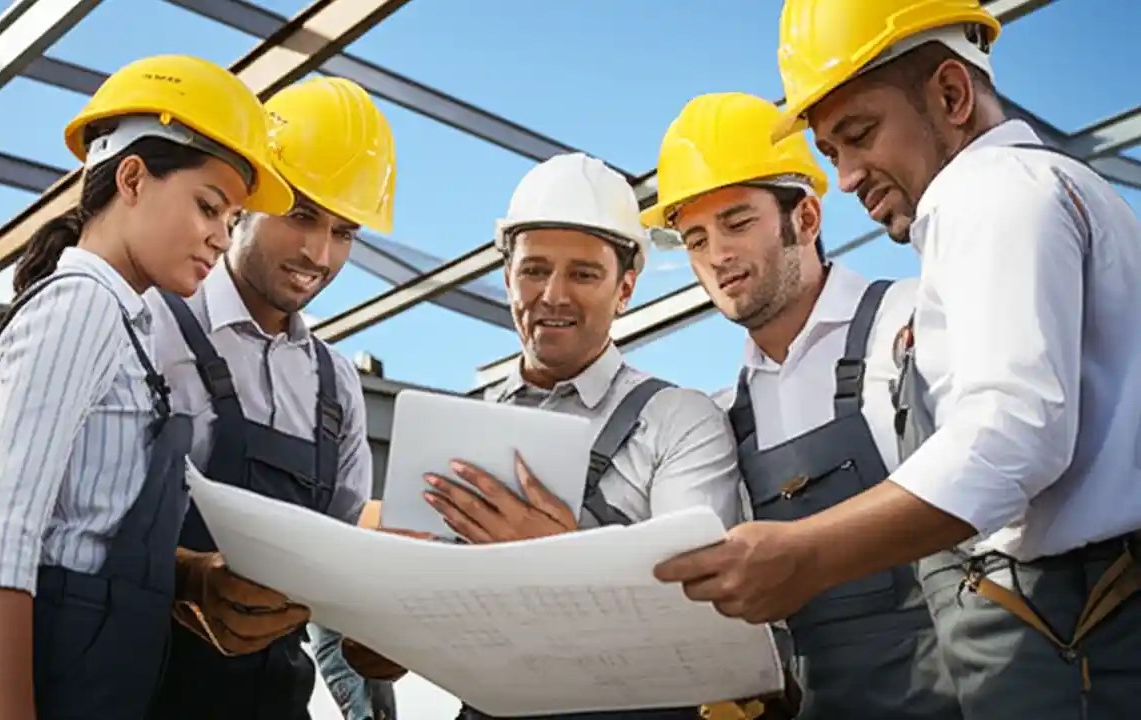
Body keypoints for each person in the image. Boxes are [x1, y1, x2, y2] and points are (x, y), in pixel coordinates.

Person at [653, 2, 1141, 718]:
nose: (846, 177)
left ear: (951, 94)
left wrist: (807, 554)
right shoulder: (1019, 198)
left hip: (1080, 637)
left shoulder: (992, 192)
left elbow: (1011, 437)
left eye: (859, 135)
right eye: (830, 153)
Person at [0, 53, 295, 720]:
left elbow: (79, 524)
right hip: (40, 684)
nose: (219, 238)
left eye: (232, 221)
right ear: (133, 177)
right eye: (209, 206)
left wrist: (181, 574)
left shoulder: (129, 324)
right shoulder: (82, 304)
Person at [643, 90, 960, 719]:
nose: (717, 257)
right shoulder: (728, 414)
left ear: (807, 219)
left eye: (737, 223)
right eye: (696, 239)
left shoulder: (909, 323)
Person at [401, 152, 745, 719]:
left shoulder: (680, 422)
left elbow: (698, 622)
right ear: (508, 277)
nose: (554, 295)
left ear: (625, 288)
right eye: (534, 270)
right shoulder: (452, 430)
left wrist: (555, 559)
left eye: (584, 274)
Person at [145, 75, 400, 720]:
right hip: (134, 696)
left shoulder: (334, 385)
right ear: (245, 201)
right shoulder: (147, 321)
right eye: (302, 215)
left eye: (344, 232)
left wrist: (380, 644)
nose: (319, 253)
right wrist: (181, 575)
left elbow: (334, 581)